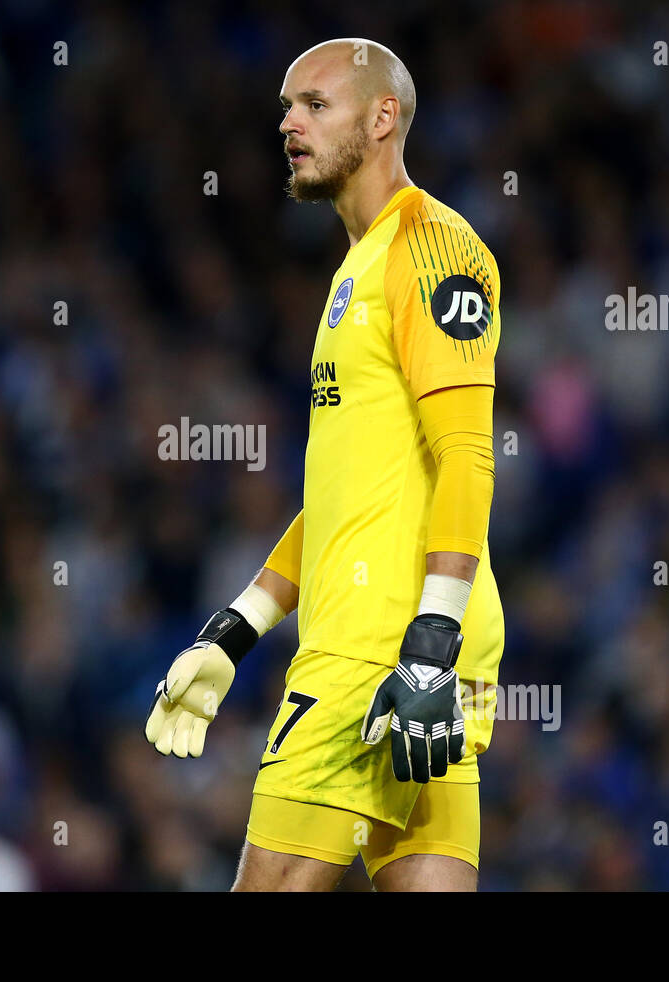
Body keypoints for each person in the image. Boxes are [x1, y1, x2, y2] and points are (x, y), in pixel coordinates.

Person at [146, 37, 504, 892]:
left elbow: (468, 453)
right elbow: (346, 499)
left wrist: (428, 640)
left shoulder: (432, 247)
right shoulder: (360, 265)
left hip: (382, 648)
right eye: (285, 106)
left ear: (384, 119)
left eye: (314, 104)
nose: (287, 123)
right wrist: (234, 632)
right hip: (415, 644)